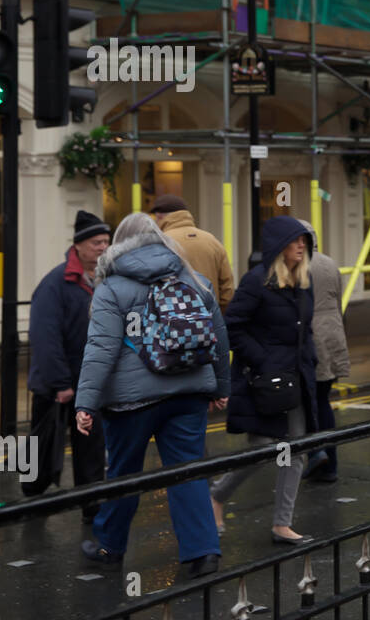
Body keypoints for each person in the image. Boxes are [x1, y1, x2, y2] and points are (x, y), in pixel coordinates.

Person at [74, 212, 230, 579]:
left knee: (125, 475)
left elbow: (101, 349)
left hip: (131, 402)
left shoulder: (111, 287)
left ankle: (110, 547)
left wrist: (86, 403)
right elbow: (220, 340)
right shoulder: (193, 279)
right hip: (188, 393)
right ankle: (203, 552)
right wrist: (222, 388)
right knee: (188, 473)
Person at [210, 216, 318, 544]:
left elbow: (304, 331)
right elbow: (233, 327)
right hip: (264, 381)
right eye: (296, 240)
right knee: (262, 448)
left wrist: (311, 361)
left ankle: (281, 524)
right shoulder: (256, 281)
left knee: (296, 451)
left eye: (305, 241)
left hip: (297, 379)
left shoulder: (303, 282)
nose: (302, 246)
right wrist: (264, 361)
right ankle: (216, 495)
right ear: (279, 245)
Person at [23, 211, 111, 520]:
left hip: (90, 385)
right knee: (44, 444)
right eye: (96, 242)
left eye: (106, 242)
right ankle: (31, 498)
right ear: (79, 246)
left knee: (90, 450)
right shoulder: (56, 283)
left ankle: (93, 506)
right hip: (56, 385)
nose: (103, 247)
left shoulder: (105, 280)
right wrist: (61, 384)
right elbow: (45, 338)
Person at [298, 220, 350, 483]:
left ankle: (318, 456)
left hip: (312, 337)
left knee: (310, 403)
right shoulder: (330, 263)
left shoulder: (298, 264)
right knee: (322, 399)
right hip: (333, 334)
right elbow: (338, 301)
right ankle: (328, 462)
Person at [150, 194, 236, 310]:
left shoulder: (161, 242)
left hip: (173, 318)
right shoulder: (212, 240)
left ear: (159, 216)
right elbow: (227, 289)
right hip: (209, 317)